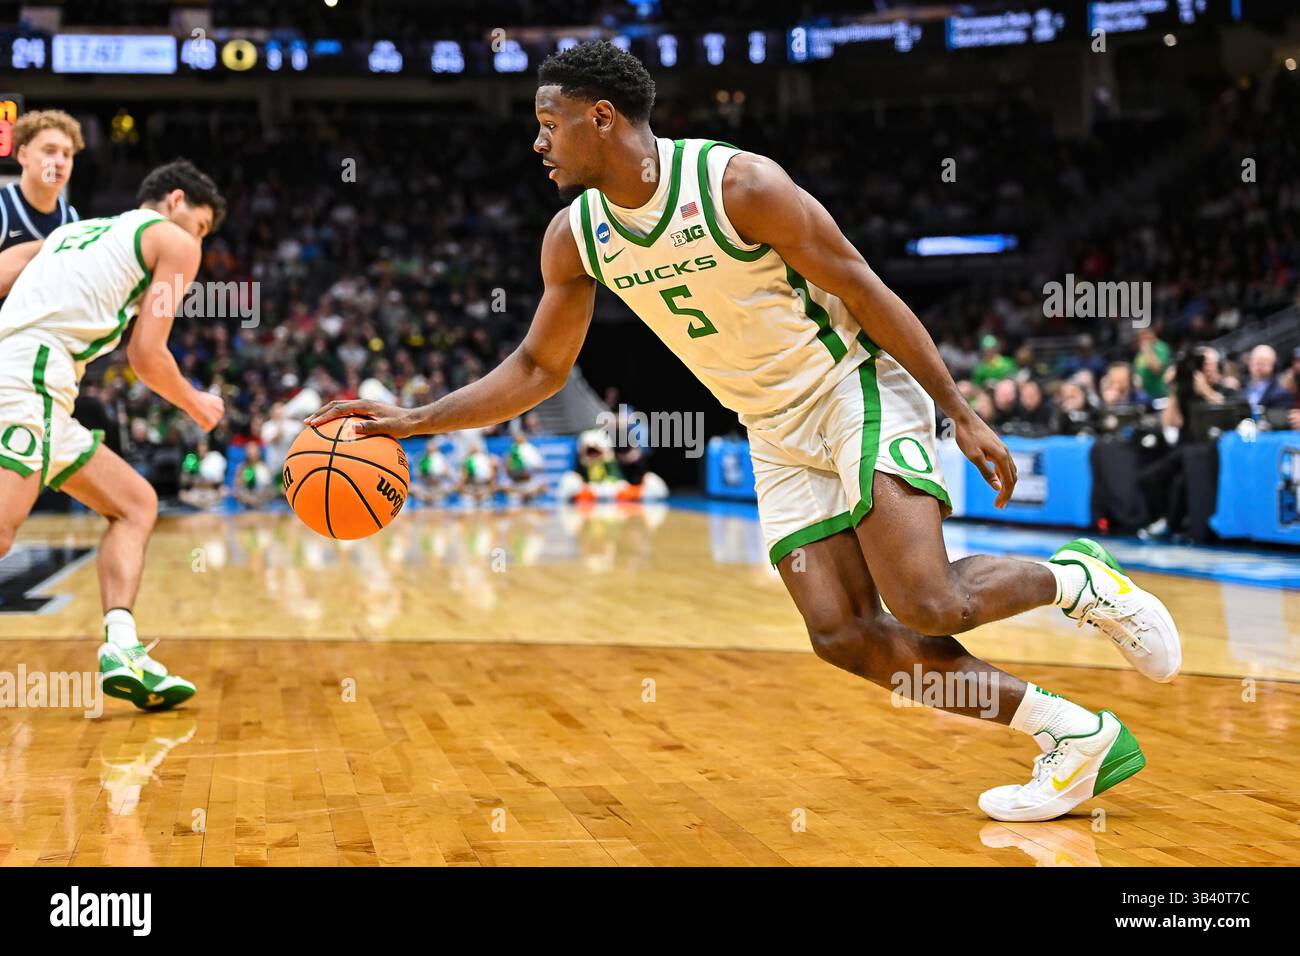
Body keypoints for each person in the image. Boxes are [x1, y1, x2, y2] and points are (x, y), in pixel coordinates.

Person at [307, 41, 1180, 822]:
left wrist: (956, 405)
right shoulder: (575, 238)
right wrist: (413, 421)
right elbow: (538, 369)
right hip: (771, 426)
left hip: (850, 388)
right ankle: (1072, 735)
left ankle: (1075, 578)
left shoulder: (738, 184)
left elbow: (863, 285)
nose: (538, 142)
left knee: (924, 600)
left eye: (549, 122)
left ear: (601, 117)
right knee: (841, 634)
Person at [0, 159, 226, 711]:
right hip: (28, 381)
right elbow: (146, 356)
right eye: (199, 225)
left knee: (136, 504)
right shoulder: (174, 241)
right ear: (176, 201)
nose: (196, 240)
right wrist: (196, 401)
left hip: (34, 382)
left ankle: (122, 650)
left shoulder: (69, 233)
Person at [0, 109, 82, 253]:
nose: (60, 162)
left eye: (67, 154)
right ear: (23, 155)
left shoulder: (72, 218)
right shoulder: (3, 208)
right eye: (50, 151)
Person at [1243, 344, 1292, 410]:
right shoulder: (1245, 389)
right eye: (1256, 363)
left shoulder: (1281, 393)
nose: (1259, 367)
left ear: (1273, 365)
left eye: (1263, 364)